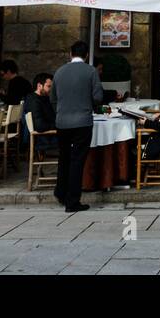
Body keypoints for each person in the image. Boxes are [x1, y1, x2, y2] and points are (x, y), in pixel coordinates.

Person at [53, 42, 103, 212]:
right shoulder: (91, 71)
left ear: (70, 53)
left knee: (64, 157)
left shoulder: (59, 72)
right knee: (77, 160)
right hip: (82, 121)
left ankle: (60, 192)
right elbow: (98, 97)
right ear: (87, 56)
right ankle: (72, 201)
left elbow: (53, 98)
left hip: (62, 121)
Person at [21, 72, 56, 153]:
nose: (50, 89)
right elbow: (40, 126)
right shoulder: (34, 101)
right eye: (49, 86)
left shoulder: (43, 98)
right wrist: (58, 125)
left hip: (49, 135)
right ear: (39, 85)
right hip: (43, 139)